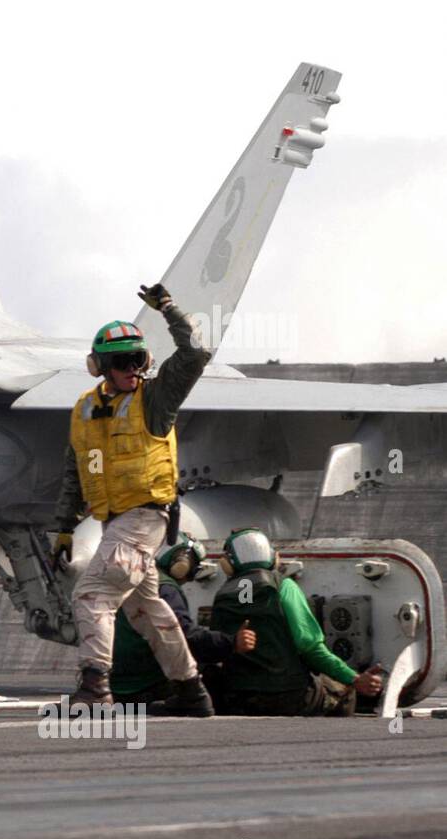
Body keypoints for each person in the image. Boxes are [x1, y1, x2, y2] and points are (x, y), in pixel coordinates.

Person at [52, 283, 215, 715]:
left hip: (145, 517)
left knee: (91, 594)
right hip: (115, 521)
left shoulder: (156, 400)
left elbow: (196, 354)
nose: (131, 368)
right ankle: (190, 690)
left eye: (137, 359)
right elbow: (75, 471)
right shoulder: (84, 410)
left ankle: (95, 686)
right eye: (121, 361)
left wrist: (167, 307)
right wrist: (65, 526)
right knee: (147, 610)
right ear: (100, 366)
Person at [204, 528, 384, 716]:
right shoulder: (283, 587)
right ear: (275, 559)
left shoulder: (223, 594)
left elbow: (216, 647)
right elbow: (310, 648)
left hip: (237, 699)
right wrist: (355, 679)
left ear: (227, 565)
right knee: (343, 691)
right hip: (290, 697)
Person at [110, 533, 255, 703]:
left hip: (116, 683)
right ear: (180, 560)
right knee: (210, 674)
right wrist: (231, 642)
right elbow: (185, 637)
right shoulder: (165, 588)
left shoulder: (133, 578)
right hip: (147, 683)